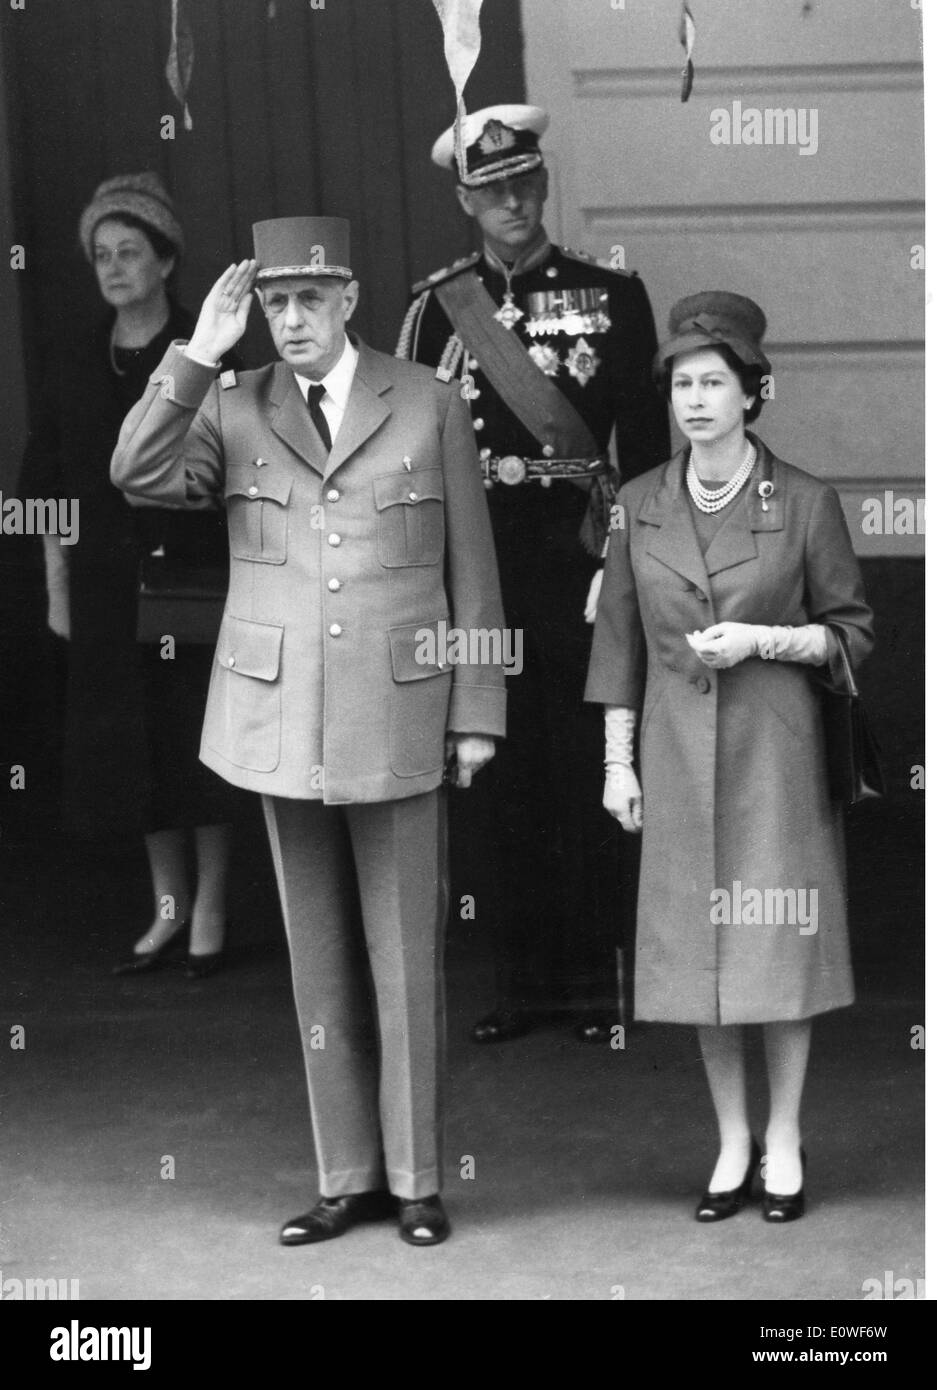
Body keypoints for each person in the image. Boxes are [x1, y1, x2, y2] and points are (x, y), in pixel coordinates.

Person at [111, 217, 506, 1247]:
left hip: (404, 709)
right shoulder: (233, 405)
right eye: (273, 303)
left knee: (407, 960)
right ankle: (348, 1177)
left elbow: (474, 567)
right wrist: (200, 348)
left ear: (349, 300)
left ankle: (418, 1179)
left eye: (307, 300)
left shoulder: (425, 402)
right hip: (282, 720)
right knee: (318, 961)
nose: (289, 319)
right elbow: (135, 472)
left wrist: (477, 710)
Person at [585, 291, 874, 1222]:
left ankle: (783, 1138)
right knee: (697, 958)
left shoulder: (802, 503)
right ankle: (729, 1142)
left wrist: (765, 640)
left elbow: (851, 633)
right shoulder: (637, 504)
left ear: (752, 394)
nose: (695, 400)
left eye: (714, 383)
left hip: (773, 758)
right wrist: (615, 764)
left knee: (775, 952)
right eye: (681, 384)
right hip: (672, 755)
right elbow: (618, 647)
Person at [398, 104, 671, 1044]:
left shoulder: (611, 297)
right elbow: (410, 461)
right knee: (498, 769)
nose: (510, 202)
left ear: (544, 184)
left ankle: (599, 985)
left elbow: (643, 452)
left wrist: (629, 565)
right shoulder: (436, 307)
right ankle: (523, 984)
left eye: (523, 183)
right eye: (490, 190)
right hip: (479, 570)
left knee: (589, 763)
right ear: (465, 201)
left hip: (581, 560)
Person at [18, 172, 238, 980]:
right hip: (104, 589)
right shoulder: (75, 359)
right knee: (134, 753)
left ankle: (212, 905)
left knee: (192, 744)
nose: (114, 268)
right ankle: (167, 907)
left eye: (130, 252)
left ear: (165, 259)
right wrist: (56, 588)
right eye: (101, 255)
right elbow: (41, 486)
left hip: (193, 582)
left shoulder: (207, 351)